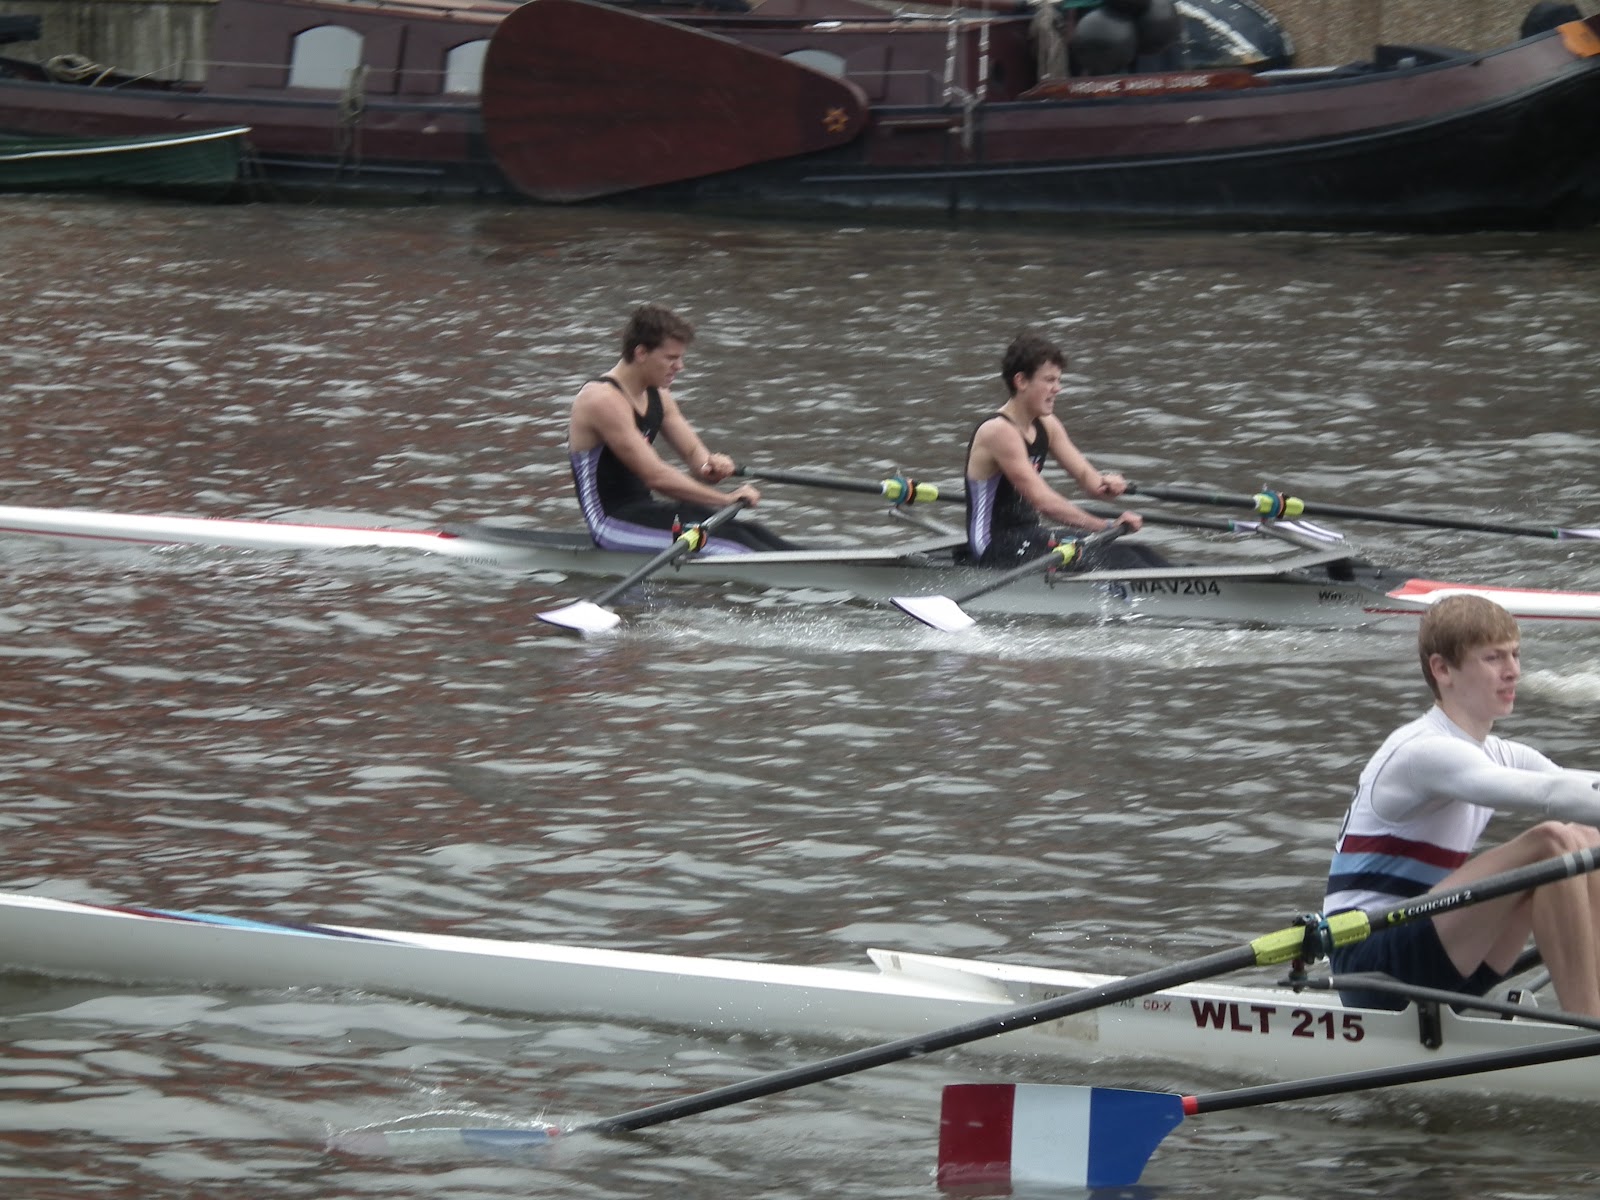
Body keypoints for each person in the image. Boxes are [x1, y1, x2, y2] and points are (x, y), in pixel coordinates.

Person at [1324, 593, 1600, 1017]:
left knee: (1585, 840)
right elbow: (1549, 797)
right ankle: (1590, 1028)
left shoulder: (1497, 752)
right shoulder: (1424, 751)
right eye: (1493, 659)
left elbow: (1577, 790)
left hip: (1435, 952)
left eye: (1515, 655)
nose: (1513, 672)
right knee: (1551, 842)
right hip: (1368, 962)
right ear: (1442, 669)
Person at [568, 304, 798, 554]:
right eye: (671, 358)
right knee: (735, 544)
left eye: (680, 357)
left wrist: (712, 467)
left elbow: (694, 458)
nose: (680, 366)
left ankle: (825, 566)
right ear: (641, 353)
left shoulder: (659, 397)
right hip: (612, 525)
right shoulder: (602, 400)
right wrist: (726, 499)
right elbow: (655, 476)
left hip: (645, 513)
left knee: (750, 531)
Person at [963, 331, 1159, 570]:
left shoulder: (1047, 424)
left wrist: (1107, 483)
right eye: (1049, 380)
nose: (1058, 388)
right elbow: (1044, 502)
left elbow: (1090, 482)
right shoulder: (999, 431)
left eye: (1058, 380)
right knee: (1116, 561)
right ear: (1021, 381)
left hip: (1029, 534)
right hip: (993, 546)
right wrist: (1106, 527)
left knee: (1137, 552)